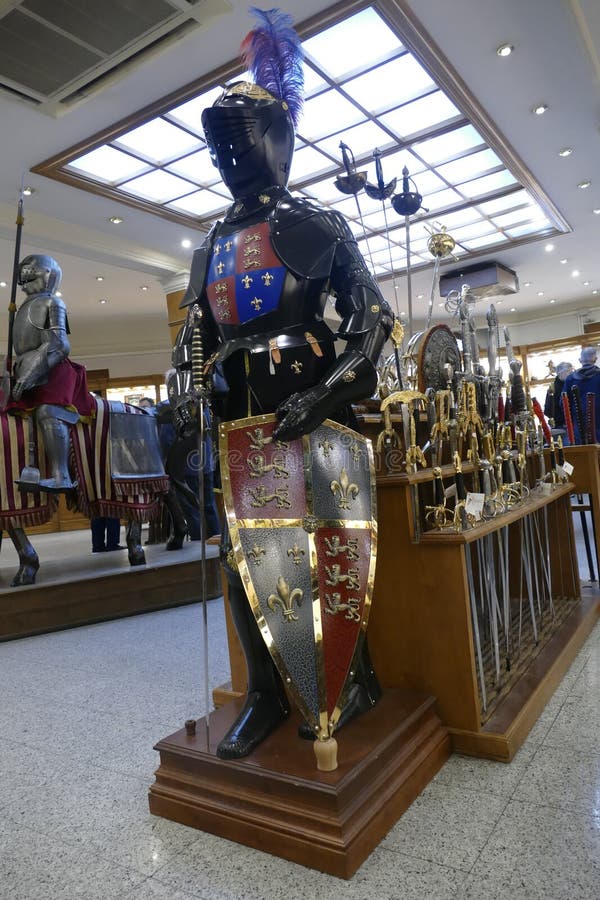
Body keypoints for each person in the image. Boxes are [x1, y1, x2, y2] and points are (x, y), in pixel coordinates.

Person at [169, 10, 393, 760]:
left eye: (245, 139)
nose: (233, 156)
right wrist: (187, 373)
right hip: (239, 416)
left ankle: (351, 678)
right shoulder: (211, 245)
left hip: (314, 406)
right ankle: (264, 689)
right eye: (220, 145)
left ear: (281, 141)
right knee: (246, 557)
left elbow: (371, 327)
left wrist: (325, 396)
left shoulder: (321, 223)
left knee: (328, 545)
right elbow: (197, 329)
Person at [7, 254, 94, 491]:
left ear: (45, 274)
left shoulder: (53, 303)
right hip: (25, 367)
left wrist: (30, 374)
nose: (25, 278)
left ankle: (61, 475)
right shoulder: (21, 309)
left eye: (29, 272)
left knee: (48, 410)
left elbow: (59, 345)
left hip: (51, 368)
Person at [563, 346, 600, 443]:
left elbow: (563, 403)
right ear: (595, 359)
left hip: (578, 427)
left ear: (580, 360)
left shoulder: (570, 379)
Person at [544, 361, 573, 431]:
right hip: (561, 426)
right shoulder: (553, 388)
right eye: (569, 371)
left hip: (567, 424)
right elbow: (547, 409)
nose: (571, 374)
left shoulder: (570, 385)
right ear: (561, 373)